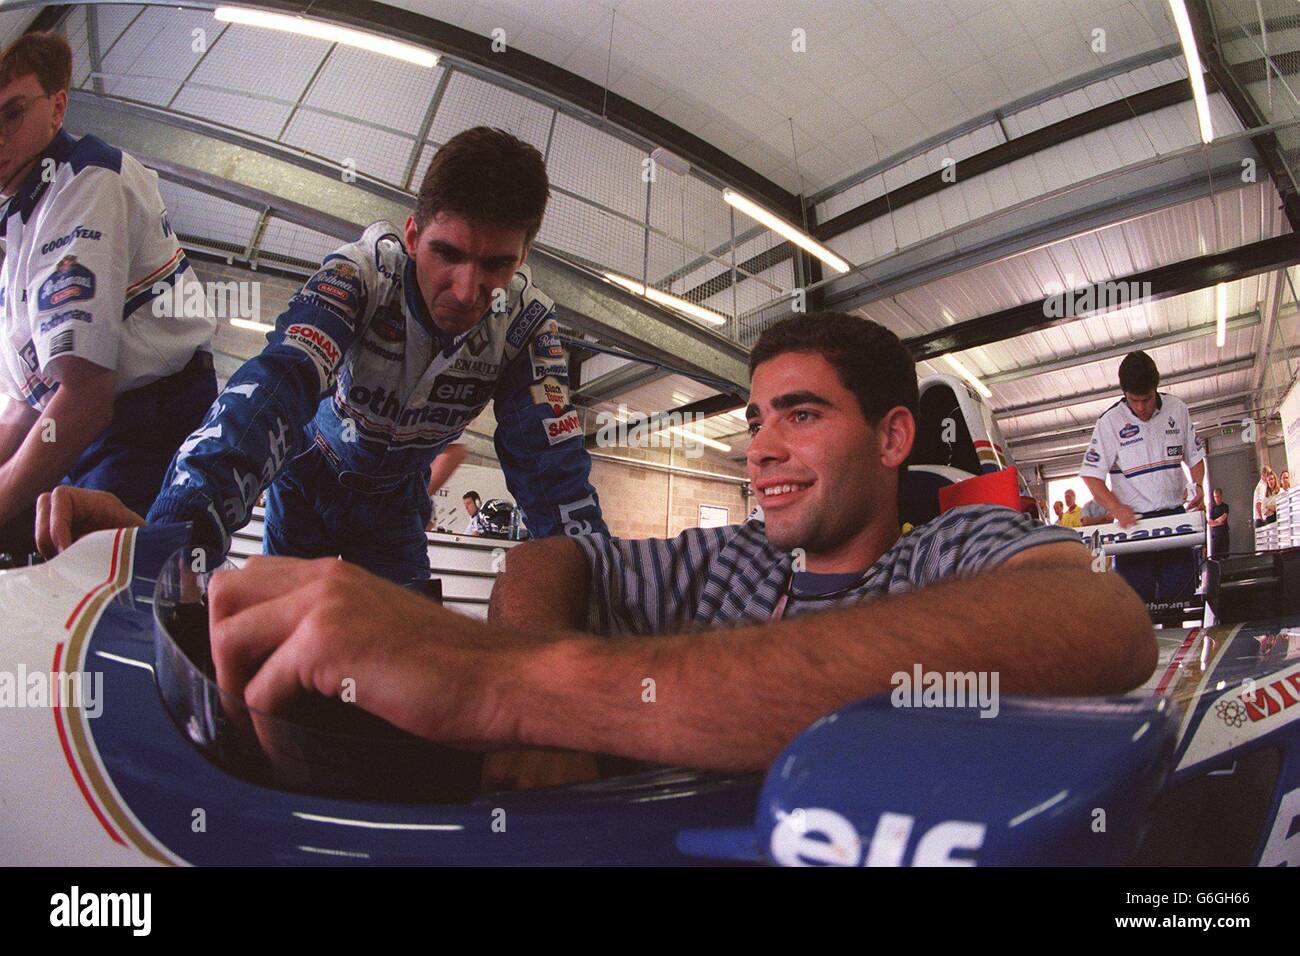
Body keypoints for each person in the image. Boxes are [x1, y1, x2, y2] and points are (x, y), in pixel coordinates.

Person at [197, 313, 1154, 772]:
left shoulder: (948, 551)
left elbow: (1100, 621)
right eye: (756, 419)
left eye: (802, 415)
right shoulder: (726, 560)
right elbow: (546, 558)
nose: (762, 449)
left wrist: (514, 688)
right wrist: (538, 699)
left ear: (894, 439)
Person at [33, 127, 606, 583]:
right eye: (446, 253)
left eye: (496, 266)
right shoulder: (361, 273)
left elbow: (552, 476)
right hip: (305, 483)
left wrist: (598, 594)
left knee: (399, 659)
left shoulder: (528, 323)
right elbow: (276, 386)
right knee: (277, 639)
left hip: (394, 508)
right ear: (411, 235)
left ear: (524, 255)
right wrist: (177, 534)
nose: (464, 289)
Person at [0, 32, 216, 557]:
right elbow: (26, 405)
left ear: (58, 106)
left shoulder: (85, 185)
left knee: (89, 579)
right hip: (84, 426)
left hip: (146, 423)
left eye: (11, 113)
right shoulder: (19, 219)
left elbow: (85, 397)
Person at [1079, 351, 1205, 607]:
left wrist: (1199, 485)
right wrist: (1116, 508)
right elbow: (1091, 476)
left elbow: (1195, 457)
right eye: (1134, 400)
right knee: (1136, 610)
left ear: (1156, 388)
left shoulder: (1177, 410)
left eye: (1146, 399)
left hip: (1175, 521)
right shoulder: (1109, 423)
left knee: (1180, 604)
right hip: (1133, 527)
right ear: (1124, 393)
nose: (1141, 407)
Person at [1206, 487, 1229, 556]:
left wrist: (1215, 522)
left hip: (1224, 533)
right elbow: (1210, 522)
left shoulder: (1225, 506)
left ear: (1221, 496)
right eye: (1215, 497)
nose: (1216, 499)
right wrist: (1218, 523)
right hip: (1215, 534)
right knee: (1215, 555)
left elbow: (1224, 517)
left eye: (1218, 496)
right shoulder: (1212, 509)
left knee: (1224, 554)